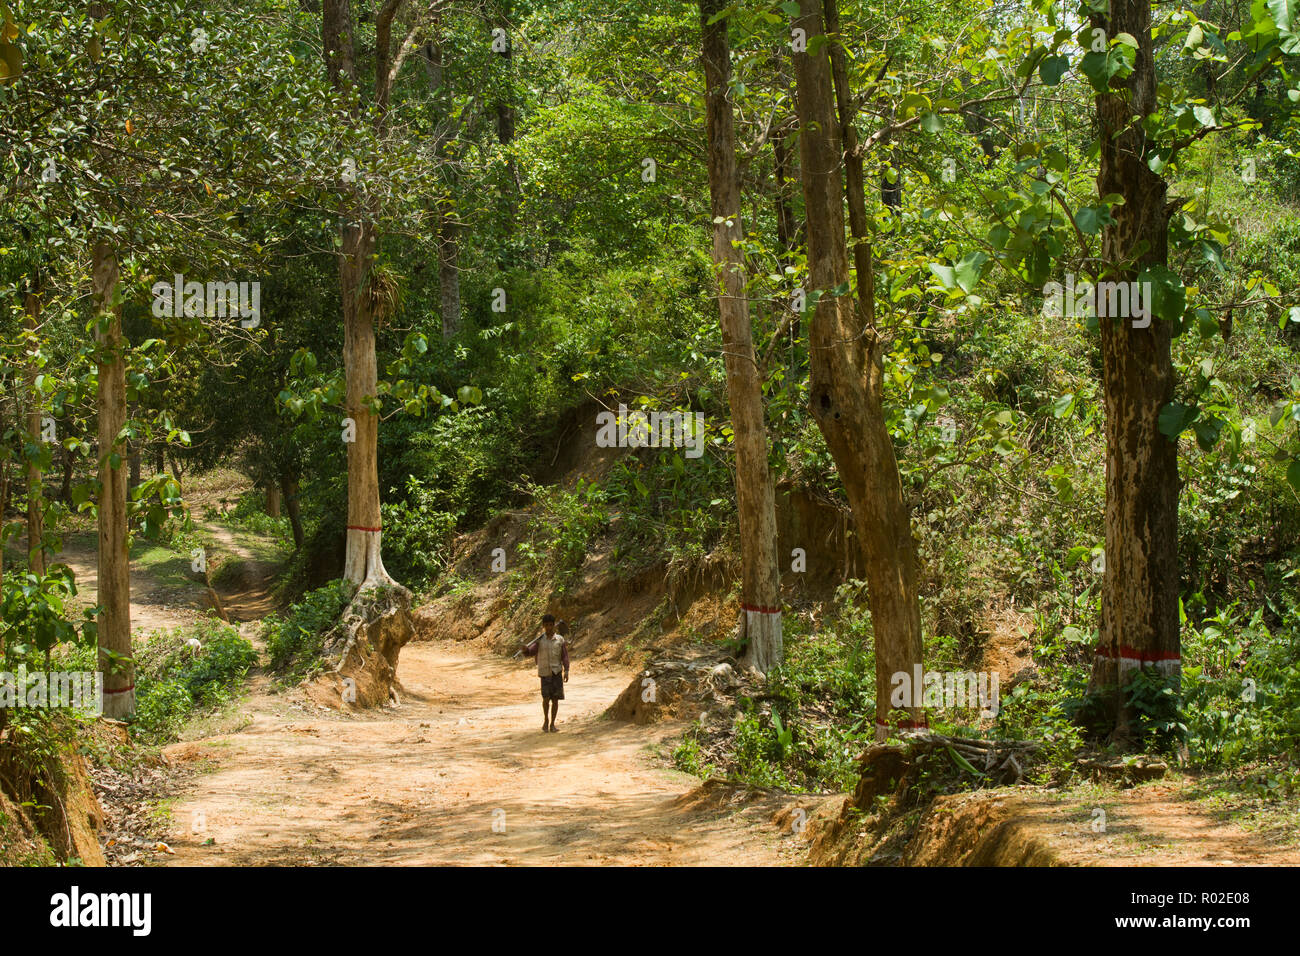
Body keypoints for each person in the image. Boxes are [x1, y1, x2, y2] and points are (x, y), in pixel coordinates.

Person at [522, 613, 569, 732]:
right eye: (546, 625)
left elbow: (564, 656)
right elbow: (530, 652)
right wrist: (525, 650)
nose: (548, 627)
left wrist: (566, 670)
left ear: (554, 626)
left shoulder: (560, 640)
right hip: (544, 673)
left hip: (556, 672)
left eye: (550, 625)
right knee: (546, 699)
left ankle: (553, 723)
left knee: (555, 700)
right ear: (543, 626)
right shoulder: (539, 641)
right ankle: (546, 720)